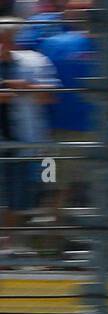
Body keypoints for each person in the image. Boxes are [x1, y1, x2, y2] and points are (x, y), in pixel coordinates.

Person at [0, 16, 55, 257]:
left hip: (23, 142)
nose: (4, 44)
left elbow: (50, 96)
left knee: (20, 197)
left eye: (8, 39)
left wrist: (25, 87)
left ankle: (9, 246)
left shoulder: (34, 61)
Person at [38, 0, 96, 218]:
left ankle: (56, 221)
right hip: (60, 125)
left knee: (60, 181)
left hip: (79, 126)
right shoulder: (53, 43)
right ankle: (54, 222)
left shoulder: (51, 42)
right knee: (56, 180)